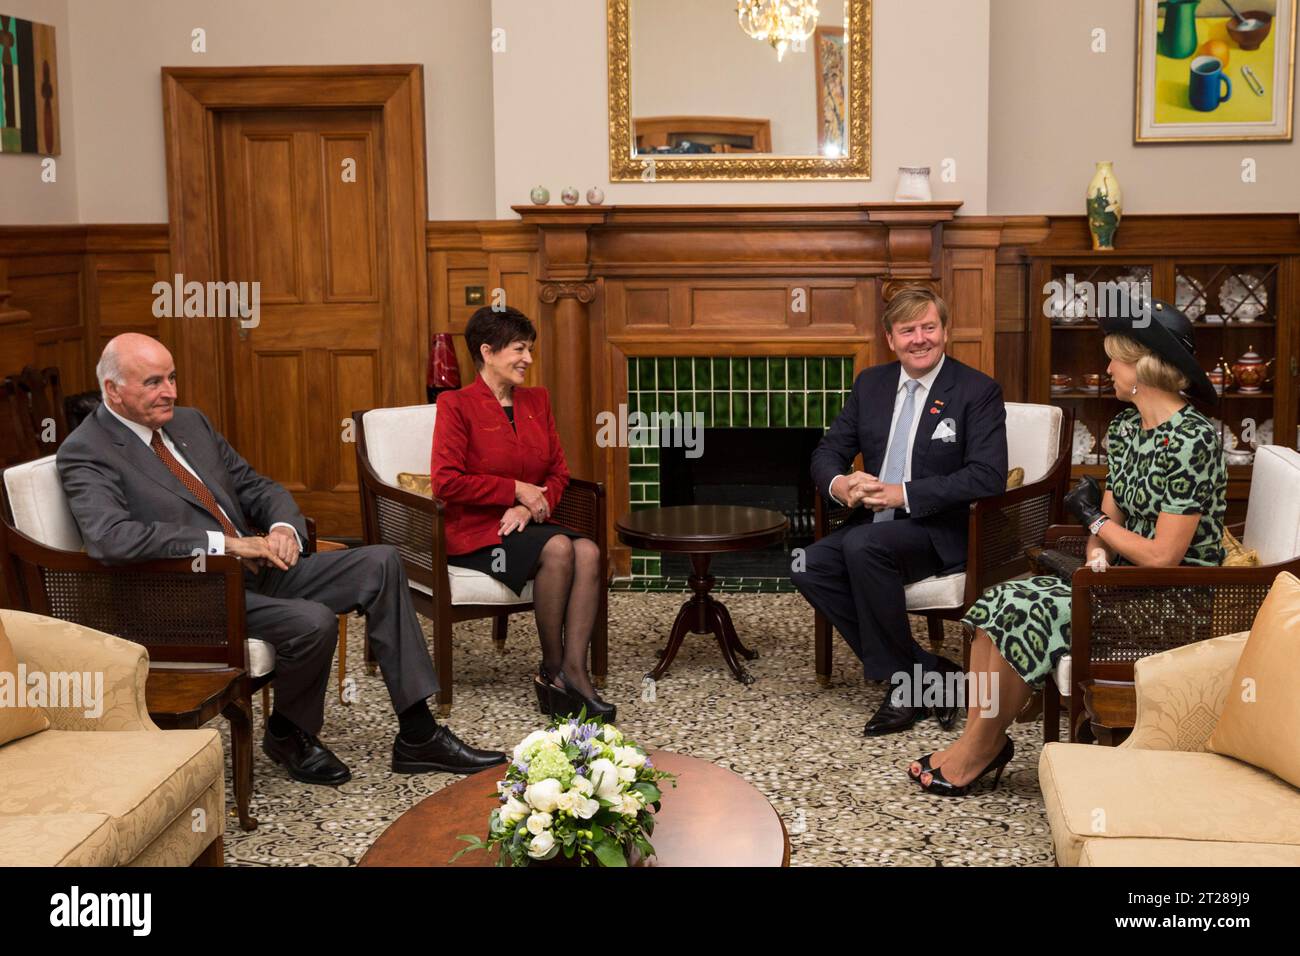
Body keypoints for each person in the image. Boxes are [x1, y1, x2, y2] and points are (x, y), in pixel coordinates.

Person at [57, 333, 505, 786]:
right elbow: (111, 539)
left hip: (256, 571)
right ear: (113, 389)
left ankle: (418, 734)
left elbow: (256, 486)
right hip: (187, 598)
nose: (170, 391)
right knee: (311, 621)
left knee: (381, 562)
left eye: (172, 378)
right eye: (153, 382)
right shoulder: (86, 450)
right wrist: (226, 544)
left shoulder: (189, 423)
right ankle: (289, 732)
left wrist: (283, 529)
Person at [913, 296, 1226, 796]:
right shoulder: (1126, 428)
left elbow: (1163, 556)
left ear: (1142, 368)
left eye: (1114, 360)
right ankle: (982, 741)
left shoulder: (1192, 439)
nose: (1106, 370)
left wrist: (1096, 523)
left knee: (1026, 609)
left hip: (1173, 597)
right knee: (997, 601)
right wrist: (1096, 550)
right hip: (1117, 584)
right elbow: (1107, 521)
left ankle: (976, 751)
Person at [791, 287, 1009, 736]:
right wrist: (840, 483)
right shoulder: (871, 384)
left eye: (929, 327)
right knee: (807, 564)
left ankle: (904, 684)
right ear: (891, 338)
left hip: (939, 529)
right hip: (871, 524)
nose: (919, 339)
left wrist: (902, 494)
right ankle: (927, 671)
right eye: (907, 330)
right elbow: (828, 450)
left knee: (863, 545)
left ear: (945, 332)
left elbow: (987, 476)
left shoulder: (976, 391)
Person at [432, 306, 614, 721]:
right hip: (479, 532)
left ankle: (573, 670)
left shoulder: (537, 400)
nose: (528, 359)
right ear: (487, 351)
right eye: (519, 349)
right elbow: (446, 482)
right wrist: (513, 489)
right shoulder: (455, 405)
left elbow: (558, 472)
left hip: (528, 524)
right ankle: (553, 670)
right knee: (559, 549)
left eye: (529, 349)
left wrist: (528, 504)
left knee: (588, 551)